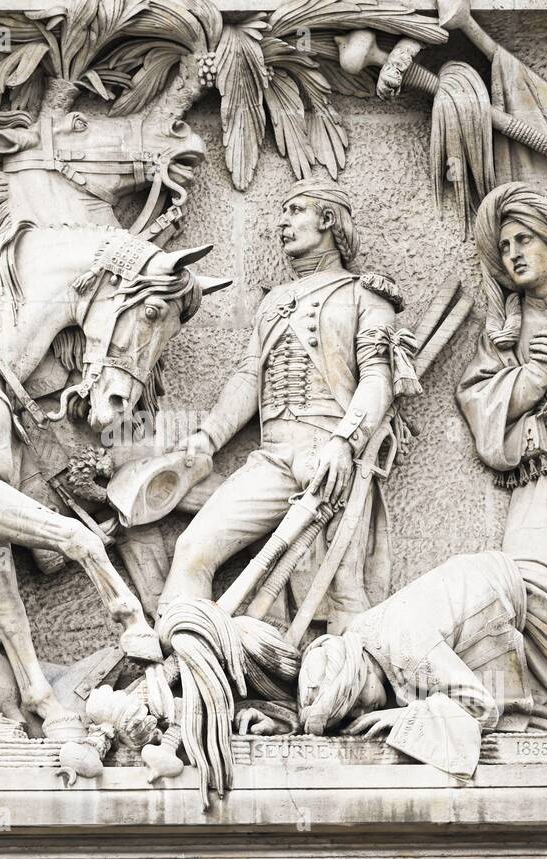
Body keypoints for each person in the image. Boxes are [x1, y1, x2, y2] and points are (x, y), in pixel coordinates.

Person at [160, 178, 417, 635]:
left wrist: (345, 442)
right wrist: (208, 438)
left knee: (345, 592)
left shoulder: (366, 294)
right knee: (193, 548)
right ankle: (184, 661)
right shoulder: (274, 302)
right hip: (273, 457)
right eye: (283, 212)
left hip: (331, 453)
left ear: (328, 219)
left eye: (296, 210)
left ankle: (354, 685)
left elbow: (378, 378)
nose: (283, 221)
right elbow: (247, 376)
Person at [456, 183, 547, 707]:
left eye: (524, 239)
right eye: (504, 246)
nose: (513, 253)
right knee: (528, 585)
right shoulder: (505, 328)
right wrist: (540, 372)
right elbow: (478, 398)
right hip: (540, 483)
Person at [296, 551, 547, 776]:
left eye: (355, 703)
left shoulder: (407, 649)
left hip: (535, 601)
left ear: (360, 670)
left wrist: (403, 716)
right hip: (493, 602)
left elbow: (480, 707)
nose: (361, 713)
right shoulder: (356, 637)